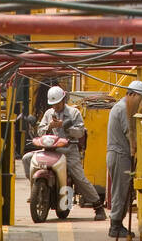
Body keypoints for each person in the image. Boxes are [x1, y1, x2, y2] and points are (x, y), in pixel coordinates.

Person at [22, 86, 106, 220]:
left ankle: (98, 207)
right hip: (49, 150)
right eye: (53, 104)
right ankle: (36, 191)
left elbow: (80, 132)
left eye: (57, 103)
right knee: (27, 158)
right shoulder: (48, 113)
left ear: (63, 100)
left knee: (78, 176)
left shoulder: (74, 113)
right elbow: (40, 131)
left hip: (68, 150)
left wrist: (64, 126)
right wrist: (49, 126)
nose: (55, 106)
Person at [105, 81, 142, 240]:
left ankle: (118, 223)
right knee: (120, 191)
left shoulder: (123, 106)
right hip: (120, 154)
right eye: (141, 98)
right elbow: (130, 132)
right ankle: (115, 226)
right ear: (133, 95)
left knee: (124, 191)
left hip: (119, 154)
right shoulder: (123, 108)